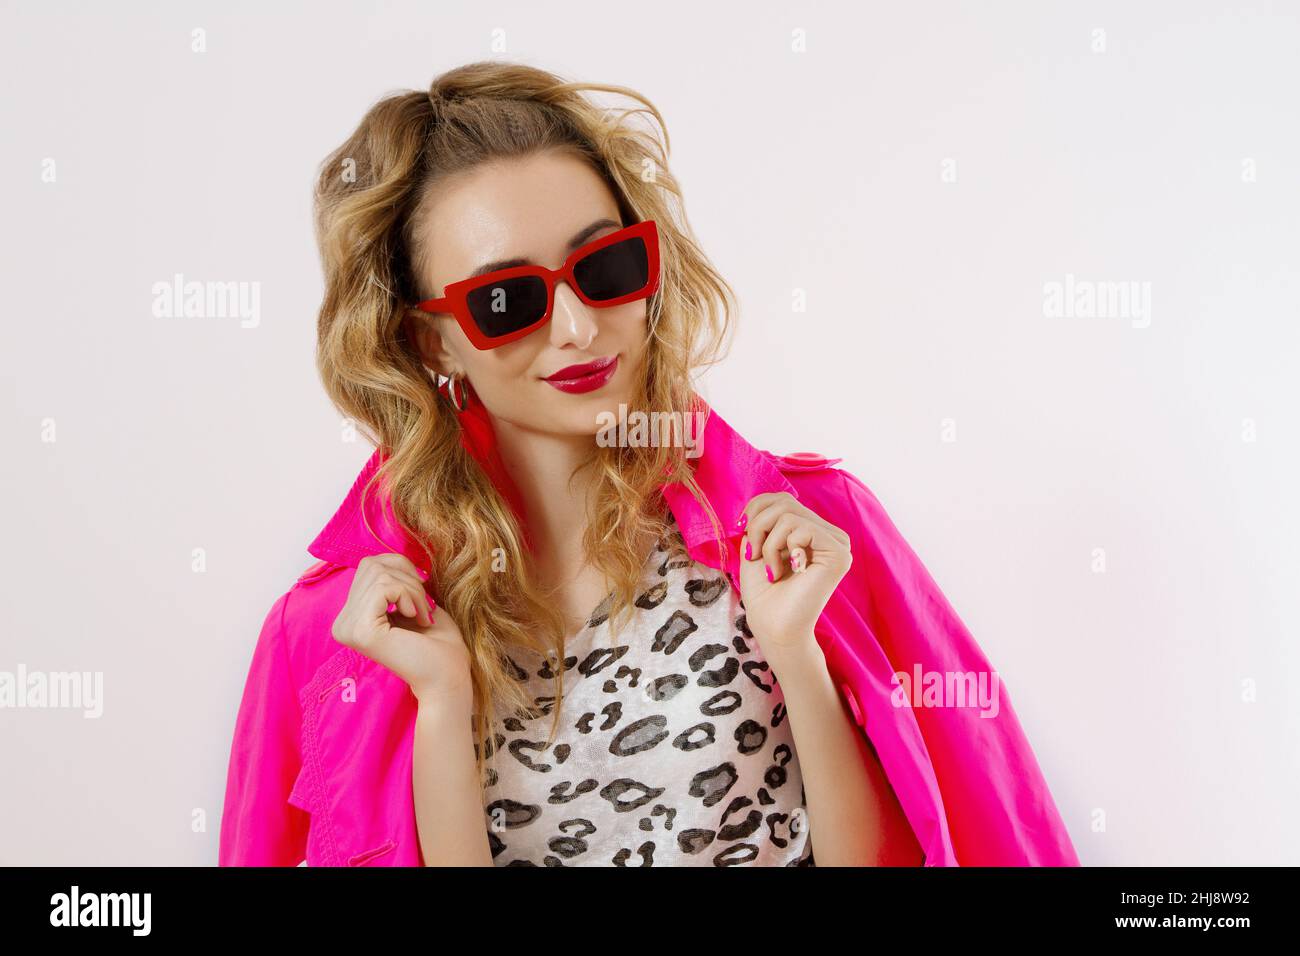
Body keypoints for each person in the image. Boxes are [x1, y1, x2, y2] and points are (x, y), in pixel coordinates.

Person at [219, 60, 1079, 868]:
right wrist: (443, 703)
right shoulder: (338, 637)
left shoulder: (815, 535)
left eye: (605, 267)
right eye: (506, 300)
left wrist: (797, 654)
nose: (577, 328)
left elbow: (980, 825)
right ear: (431, 336)